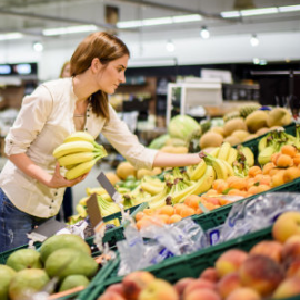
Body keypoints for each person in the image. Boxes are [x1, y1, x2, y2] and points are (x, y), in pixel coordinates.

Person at [0, 32, 203, 252]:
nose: (123, 79)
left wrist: (197, 157)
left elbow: (138, 154)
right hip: (14, 202)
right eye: (119, 69)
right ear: (96, 65)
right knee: (15, 270)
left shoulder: (100, 108)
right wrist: (48, 180)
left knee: (38, 270)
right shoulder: (47, 96)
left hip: (49, 206)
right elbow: (13, 148)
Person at [56, 60, 74, 223]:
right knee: (52, 188)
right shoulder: (54, 95)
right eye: (67, 70)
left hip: (69, 150)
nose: (70, 73)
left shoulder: (79, 99)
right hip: (53, 149)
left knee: (67, 187)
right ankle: (53, 220)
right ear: (62, 73)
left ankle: (69, 219)